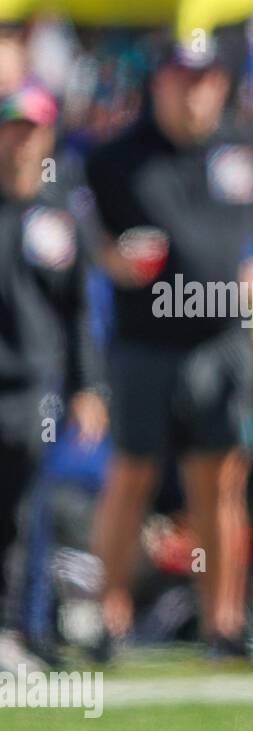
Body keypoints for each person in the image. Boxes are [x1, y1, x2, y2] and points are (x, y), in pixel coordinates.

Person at [84, 41, 253, 660]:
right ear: (160, 83)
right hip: (146, 340)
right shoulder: (117, 157)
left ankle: (223, 625)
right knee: (132, 475)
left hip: (222, 339)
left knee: (221, 482)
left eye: (207, 79)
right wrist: (111, 260)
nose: (196, 92)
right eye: (185, 79)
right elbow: (84, 232)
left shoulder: (246, 151)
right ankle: (109, 619)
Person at [0, 84, 105, 653]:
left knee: (30, 506)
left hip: (37, 384)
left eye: (31, 130)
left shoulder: (60, 211)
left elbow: (79, 308)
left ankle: (27, 629)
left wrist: (89, 385)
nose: (21, 142)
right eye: (12, 128)